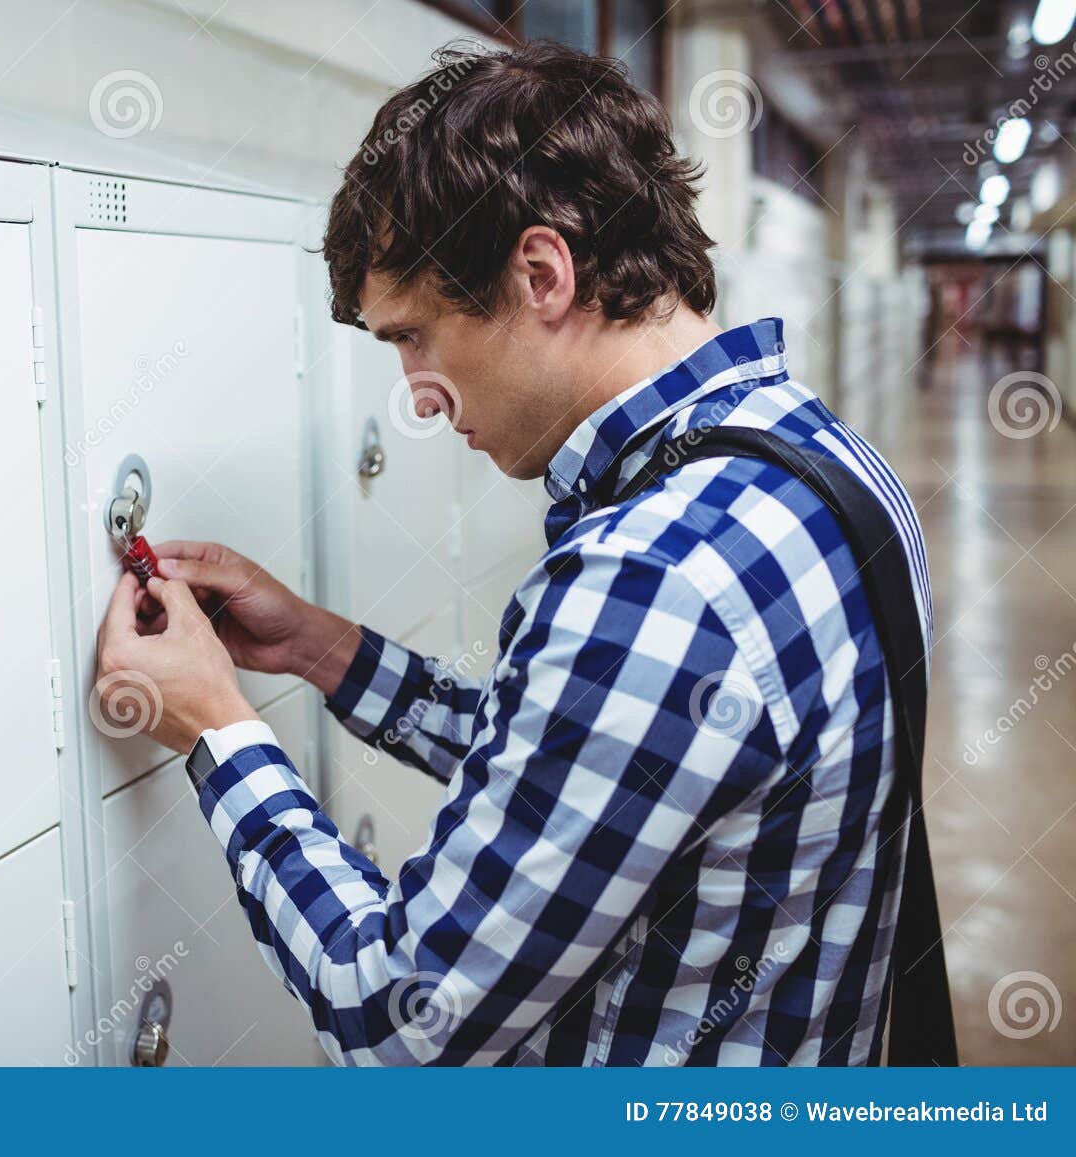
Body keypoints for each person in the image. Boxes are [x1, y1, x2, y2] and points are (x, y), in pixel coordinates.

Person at [94, 39, 933, 1066]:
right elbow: (588, 775)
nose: (415, 394)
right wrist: (323, 649)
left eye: (413, 336)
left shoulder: (653, 576)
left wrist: (213, 727)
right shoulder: (814, 457)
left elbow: (395, 1020)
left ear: (540, 272)